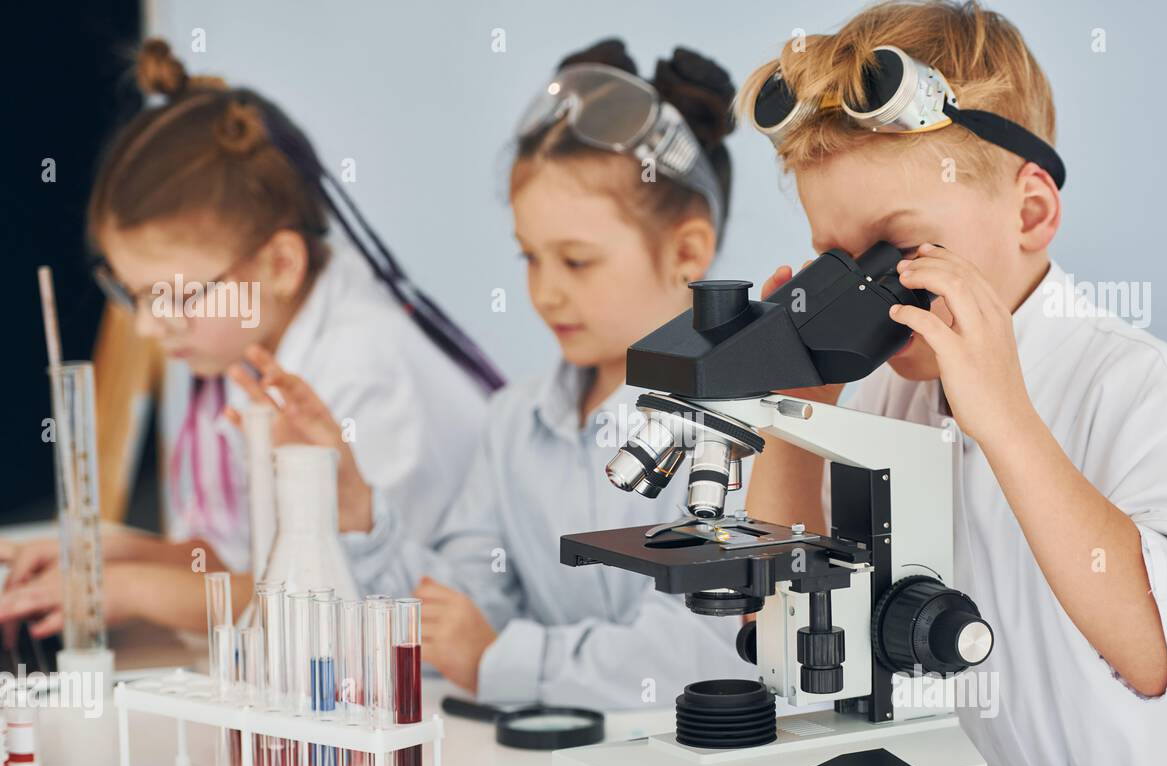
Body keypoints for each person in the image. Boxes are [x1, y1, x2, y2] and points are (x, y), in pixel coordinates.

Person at [736, 0, 1167, 766]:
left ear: (1030, 215)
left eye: (893, 251)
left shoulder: (1162, 400)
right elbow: (791, 629)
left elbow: (1153, 648)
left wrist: (1004, 417)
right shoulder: (887, 402)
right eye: (831, 259)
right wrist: (796, 419)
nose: (859, 295)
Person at [238, 39, 757, 709]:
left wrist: (501, 659)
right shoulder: (514, 423)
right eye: (529, 259)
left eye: (576, 262)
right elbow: (460, 607)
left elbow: (702, 653)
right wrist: (356, 509)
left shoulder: (740, 423)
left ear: (687, 251)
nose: (544, 293)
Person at [0, 38, 499, 637]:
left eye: (177, 296)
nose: (148, 325)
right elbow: (251, 561)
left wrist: (125, 589)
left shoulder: (365, 367)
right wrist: (113, 555)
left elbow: (331, 603)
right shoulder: (239, 349)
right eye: (132, 294)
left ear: (280, 265)